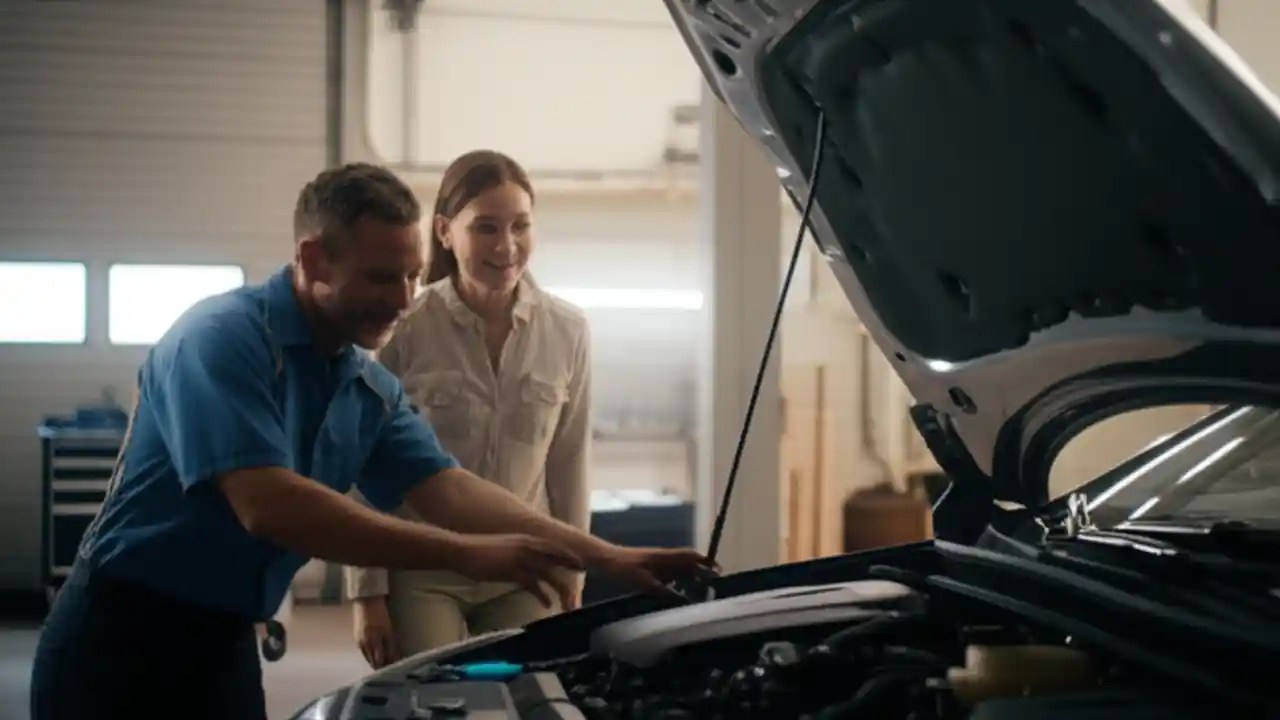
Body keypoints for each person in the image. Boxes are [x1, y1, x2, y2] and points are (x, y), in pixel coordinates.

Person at [29, 162, 715, 720]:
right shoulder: (222, 340)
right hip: (120, 635)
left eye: (414, 274)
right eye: (382, 277)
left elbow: (445, 487)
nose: (403, 296)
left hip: (222, 636)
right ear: (312, 259)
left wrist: (607, 555)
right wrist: (469, 556)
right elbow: (271, 505)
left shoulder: (362, 382)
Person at [345, 150, 592, 668]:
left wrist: (576, 568)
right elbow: (357, 460)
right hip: (423, 564)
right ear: (444, 232)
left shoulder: (569, 330)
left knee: (526, 696)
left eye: (520, 226)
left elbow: (569, 463)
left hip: (526, 567)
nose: (507, 246)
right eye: (485, 228)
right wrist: (366, 594)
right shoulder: (403, 326)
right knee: (438, 700)